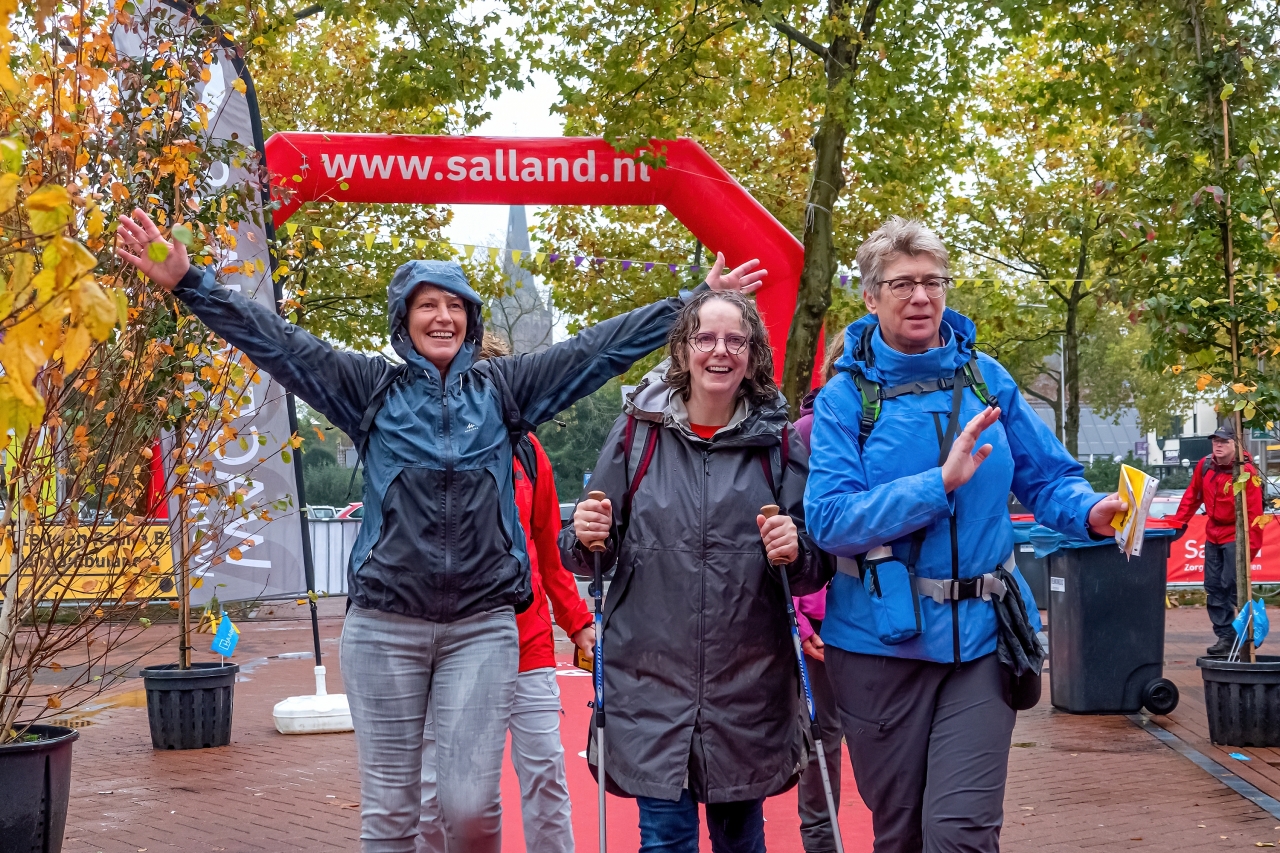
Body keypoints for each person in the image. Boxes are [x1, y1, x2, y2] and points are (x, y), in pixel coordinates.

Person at [114, 208, 765, 853]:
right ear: (404, 319)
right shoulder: (369, 389)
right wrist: (189, 282)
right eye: (428, 305)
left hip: (481, 629)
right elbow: (278, 343)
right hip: (386, 628)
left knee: (469, 809)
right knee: (395, 816)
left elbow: (595, 348)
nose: (443, 317)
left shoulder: (505, 391)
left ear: (472, 319)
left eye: (455, 305)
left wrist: (693, 302)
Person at [804, 217, 1125, 853]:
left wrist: (1089, 510)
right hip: (877, 645)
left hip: (981, 642)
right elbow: (831, 520)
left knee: (959, 834)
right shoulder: (846, 398)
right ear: (871, 297)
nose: (921, 297)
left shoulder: (987, 377)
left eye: (933, 281)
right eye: (902, 284)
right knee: (899, 835)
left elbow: (1048, 478)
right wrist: (937, 484)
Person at [565, 289, 828, 853]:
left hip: (748, 683)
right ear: (683, 350)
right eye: (705, 338)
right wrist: (588, 535)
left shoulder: (779, 444)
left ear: (753, 352)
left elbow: (812, 568)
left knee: (739, 838)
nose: (720, 351)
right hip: (650, 681)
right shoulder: (636, 434)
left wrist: (796, 550)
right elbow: (588, 551)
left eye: (736, 339)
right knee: (665, 838)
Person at [418, 333, 594, 853]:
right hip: (447, 647)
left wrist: (578, 622)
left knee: (544, 774)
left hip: (526, 643)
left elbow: (546, 546)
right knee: (437, 791)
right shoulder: (420, 448)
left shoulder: (528, 453)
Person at [790, 334, 845, 853]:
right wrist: (805, 623)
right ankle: (822, 843)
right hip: (821, 624)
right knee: (822, 738)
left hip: (878, 615)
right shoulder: (804, 434)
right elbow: (793, 531)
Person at [1168, 422, 1263, 656]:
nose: (1218, 445)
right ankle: (1225, 637)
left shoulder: (1246, 472)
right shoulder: (1206, 465)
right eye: (1215, 441)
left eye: (1224, 441)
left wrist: (1251, 547)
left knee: (1232, 585)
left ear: (1236, 445)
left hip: (1236, 535)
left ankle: (1251, 630)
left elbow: (1254, 514)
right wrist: (1180, 523)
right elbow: (1193, 496)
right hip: (1214, 533)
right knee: (1212, 585)